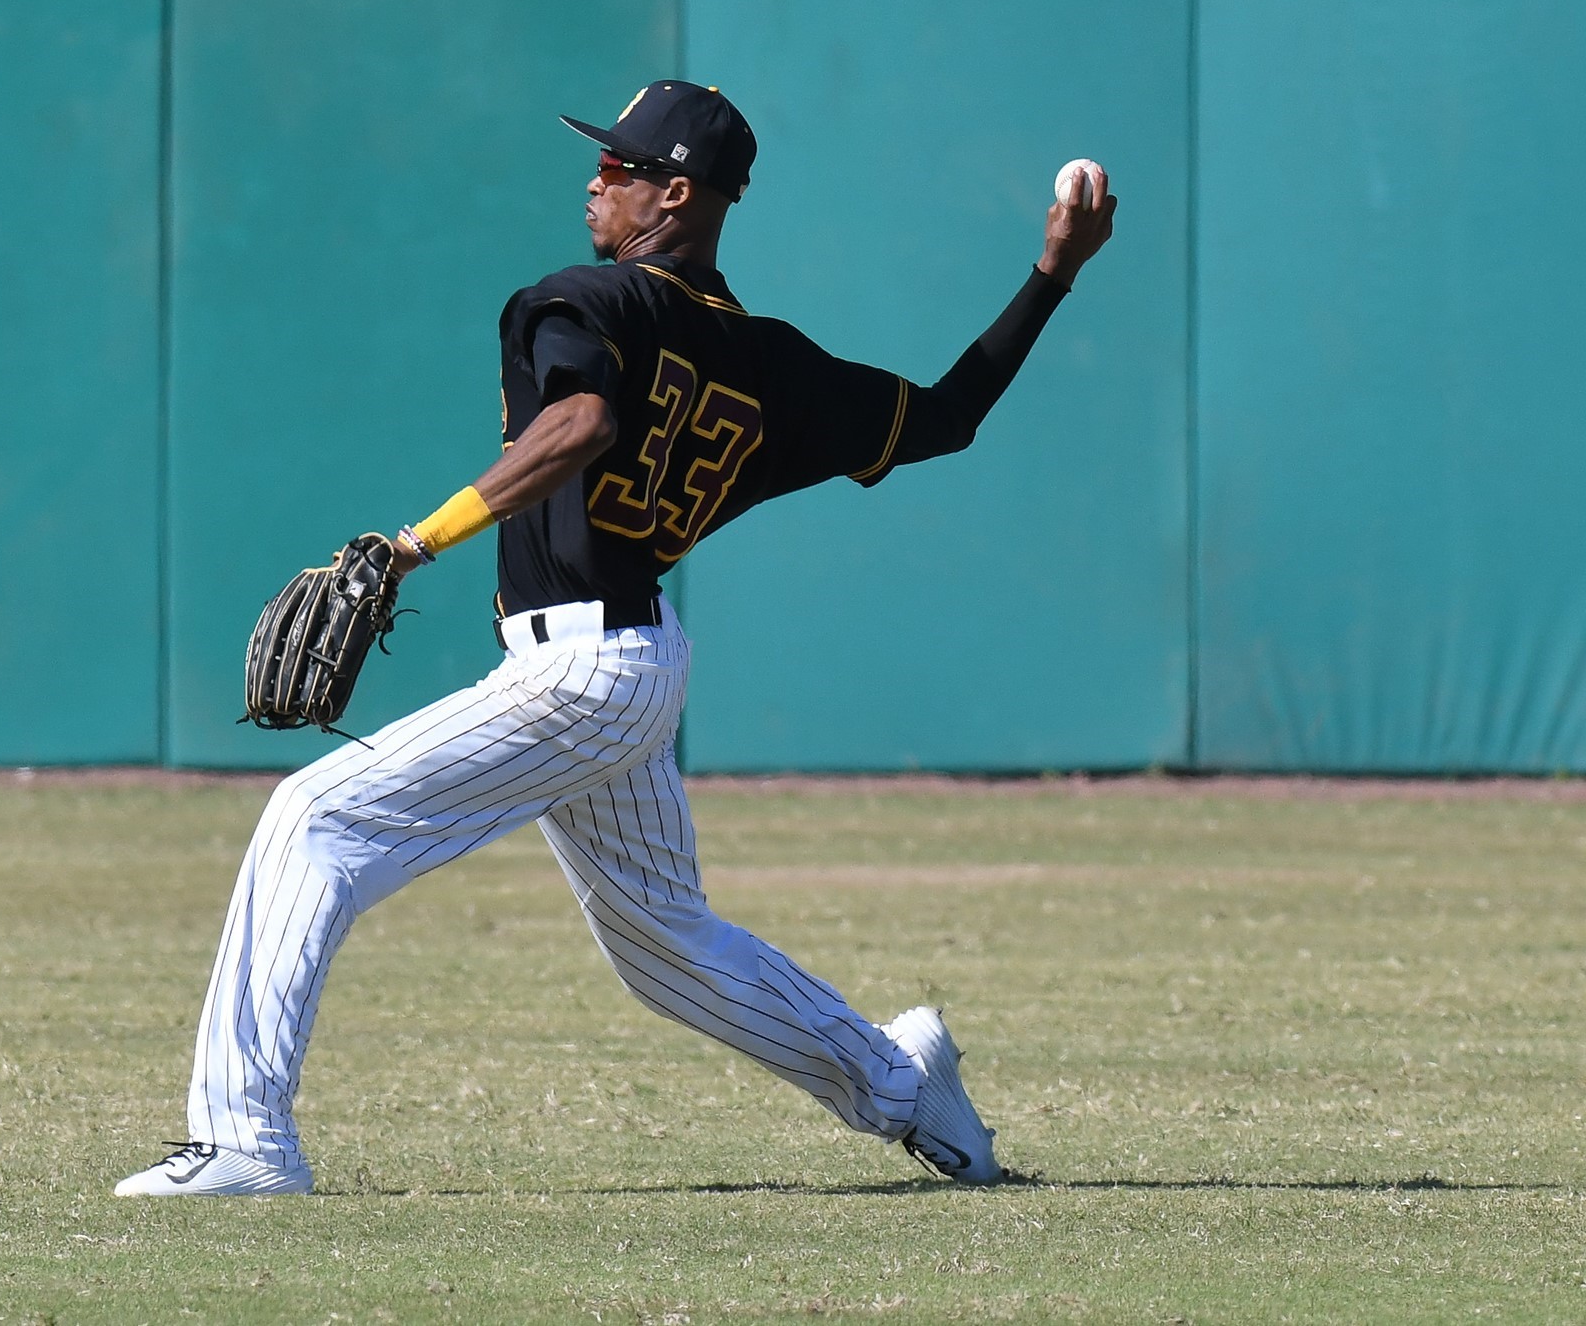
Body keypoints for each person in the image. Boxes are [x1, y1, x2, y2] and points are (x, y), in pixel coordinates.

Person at [116, 80, 1115, 1197]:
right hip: (635, 663)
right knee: (665, 943)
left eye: (618, 166)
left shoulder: (578, 297)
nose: (594, 179)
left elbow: (581, 419)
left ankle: (243, 1138)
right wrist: (1052, 275)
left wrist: (412, 545)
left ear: (675, 193)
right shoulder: (772, 362)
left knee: (312, 817)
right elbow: (947, 417)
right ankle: (900, 1081)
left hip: (581, 669)